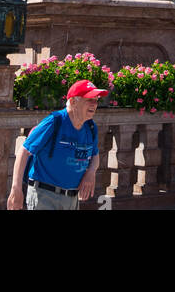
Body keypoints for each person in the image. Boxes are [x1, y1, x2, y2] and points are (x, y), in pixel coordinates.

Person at [8, 78, 105, 210]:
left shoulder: (91, 127)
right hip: (44, 196)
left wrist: (91, 172)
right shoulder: (54, 122)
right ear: (73, 102)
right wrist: (16, 189)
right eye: (89, 100)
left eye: (96, 100)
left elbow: (95, 155)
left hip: (71, 198)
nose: (94, 104)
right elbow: (24, 151)